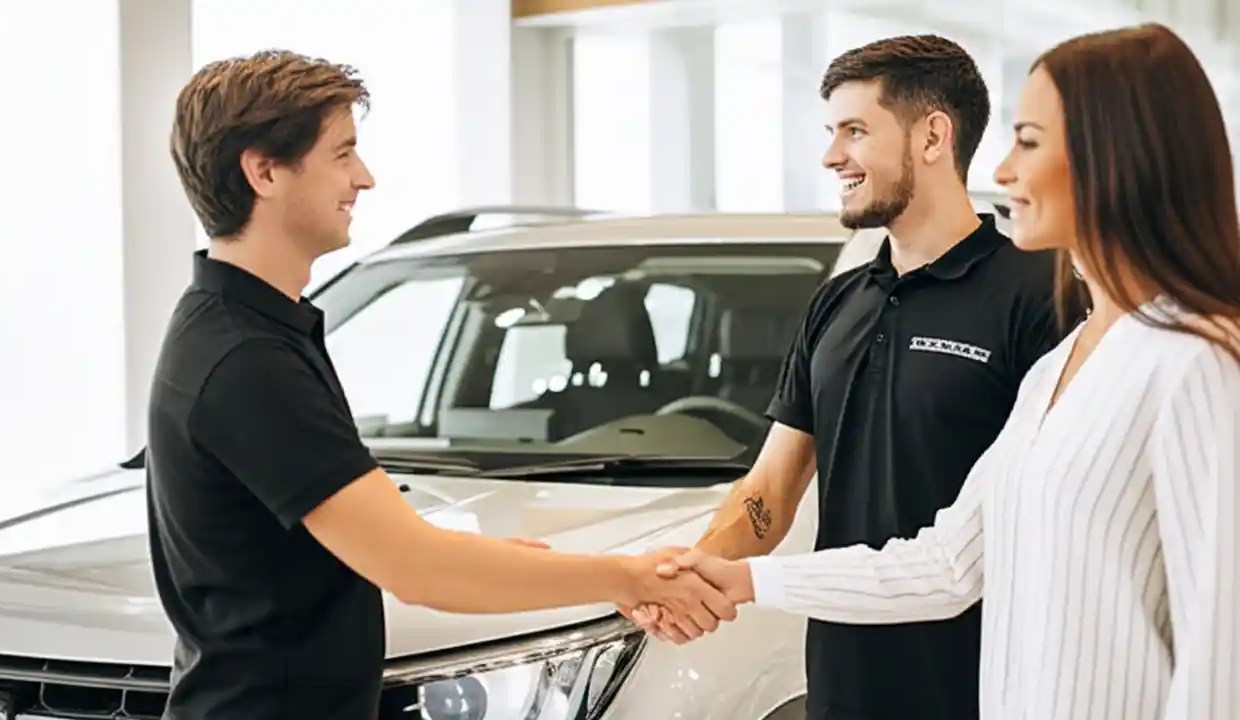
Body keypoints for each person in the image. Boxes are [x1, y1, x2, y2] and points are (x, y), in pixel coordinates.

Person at [661, 22, 1240, 720]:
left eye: (1027, 141)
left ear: (1116, 156)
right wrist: (738, 578)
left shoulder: (1200, 362)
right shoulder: (1065, 365)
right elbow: (945, 565)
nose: (1000, 171)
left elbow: (1222, 661)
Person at [145, 50, 734, 720]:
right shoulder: (246, 358)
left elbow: (362, 540)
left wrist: (490, 557)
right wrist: (624, 577)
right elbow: (415, 567)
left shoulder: (244, 327)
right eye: (342, 154)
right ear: (264, 170)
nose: (363, 178)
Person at [635, 34, 1065, 720]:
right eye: (832, 132)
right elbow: (770, 491)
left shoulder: (1039, 295)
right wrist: (687, 574)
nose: (832, 155)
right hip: (840, 686)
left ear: (932, 136)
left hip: (982, 688)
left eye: (855, 130)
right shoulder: (839, 302)